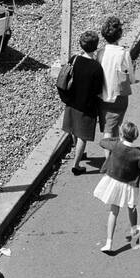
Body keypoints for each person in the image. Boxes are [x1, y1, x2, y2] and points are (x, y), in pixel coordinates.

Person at [94, 121, 140, 253]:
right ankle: (136, 238)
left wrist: (118, 138)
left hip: (114, 183)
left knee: (113, 211)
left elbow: (103, 142)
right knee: (132, 209)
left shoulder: (116, 144)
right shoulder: (138, 153)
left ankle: (109, 243)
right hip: (130, 185)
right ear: (135, 136)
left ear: (122, 133)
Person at [57, 29, 104, 174]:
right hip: (86, 107)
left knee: (73, 129)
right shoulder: (96, 67)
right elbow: (98, 90)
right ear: (95, 46)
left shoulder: (74, 59)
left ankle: (78, 152)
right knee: (83, 136)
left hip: (71, 102)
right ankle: (76, 165)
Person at [97, 15, 134, 144]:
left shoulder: (100, 53)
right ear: (120, 34)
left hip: (102, 95)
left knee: (108, 125)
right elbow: (131, 75)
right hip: (119, 96)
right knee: (113, 128)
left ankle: (113, 154)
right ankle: (110, 159)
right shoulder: (124, 53)